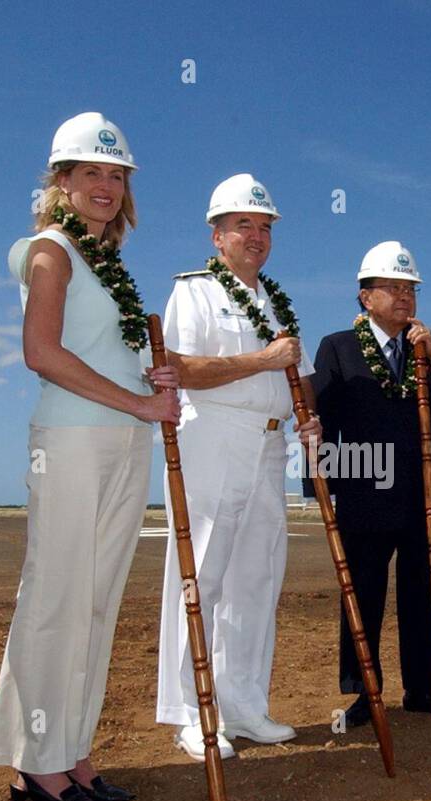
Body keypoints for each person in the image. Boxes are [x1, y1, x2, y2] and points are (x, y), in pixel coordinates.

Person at [0, 114, 181, 801]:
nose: (105, 185)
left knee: (97, 603)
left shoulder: (111, 266)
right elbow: (41, 352)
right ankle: (36, 763)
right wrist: (138, 403)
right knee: (56, 599)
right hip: (70, 441)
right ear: (61, 182)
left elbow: (105, 353)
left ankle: (72, 751)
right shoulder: (51, 252)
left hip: (125, 441)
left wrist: (150, 386)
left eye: (116, 175)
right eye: (91, 172)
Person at [155, 174, 322, 761]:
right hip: (216, 434)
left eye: (265, 227)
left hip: (272, 444)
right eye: (244, 225)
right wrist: (264, 359)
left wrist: (305, 413)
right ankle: (189, 710)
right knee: (202, 573)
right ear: (217, 233)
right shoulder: (195, 290)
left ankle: (244, 702)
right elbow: (179, 368)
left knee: (257, 576)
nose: (257, 235)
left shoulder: (272, 300)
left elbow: (289, 375)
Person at [308, 242, 431, 727]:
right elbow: (318, 411)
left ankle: (422, 688)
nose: (405, 296)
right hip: (365, 486)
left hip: (424, 492)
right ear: (365, 297)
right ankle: (364, 692)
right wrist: (321, 480)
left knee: (424, 592)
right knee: (364, 593)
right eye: (393, 287)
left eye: (411, 289)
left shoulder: (427, 348)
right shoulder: (338, 346)